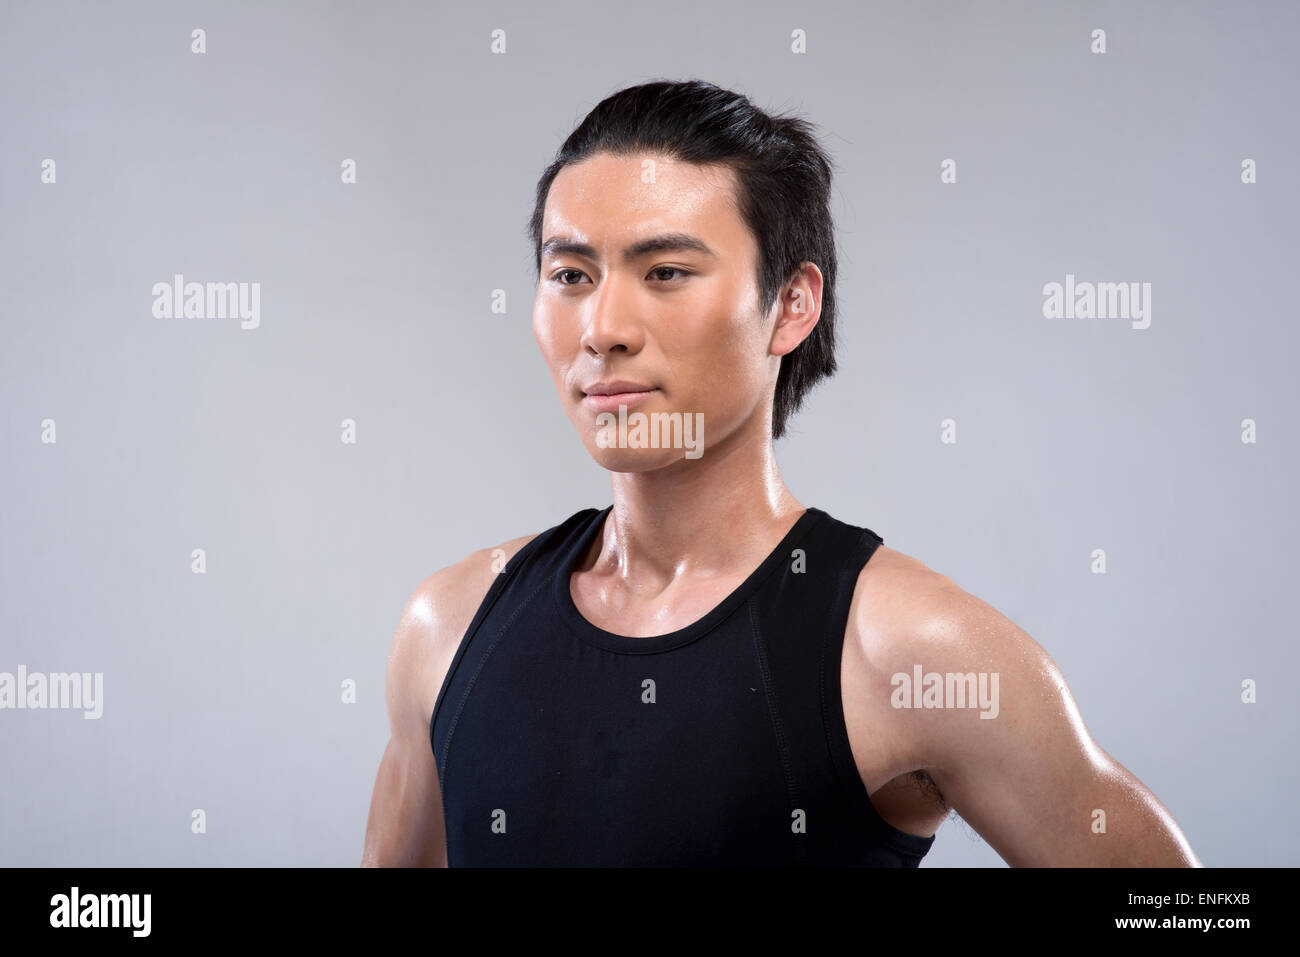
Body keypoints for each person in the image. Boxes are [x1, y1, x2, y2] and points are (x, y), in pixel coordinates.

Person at [361, 79, 1201, 867]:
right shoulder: (450, 627)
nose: (603, 327)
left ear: (792, 304)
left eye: (666, 272)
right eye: (571, 275)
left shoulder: (908, 649)